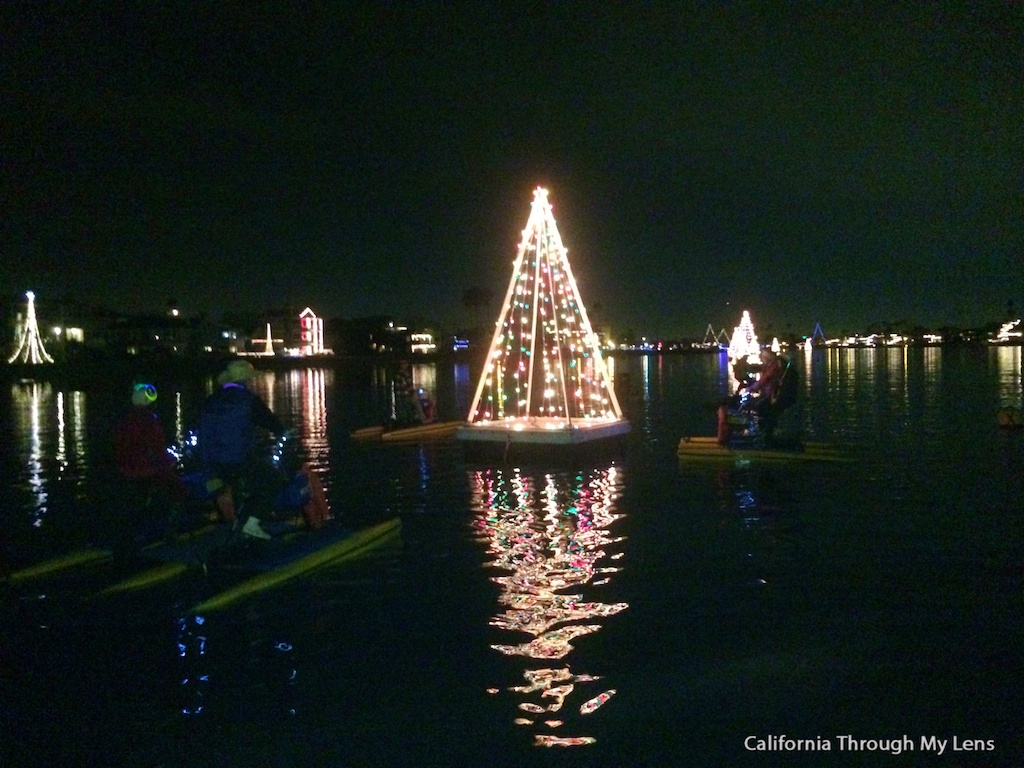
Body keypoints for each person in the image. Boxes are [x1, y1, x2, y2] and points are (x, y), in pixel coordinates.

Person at [195, 359, 285, 538]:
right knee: (275, 478)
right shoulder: (248, 400)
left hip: (210, 462)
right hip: (237, 460)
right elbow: (274, 424)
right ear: (246, 380)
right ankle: (253, 522)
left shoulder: (211, 400)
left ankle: (236, 520)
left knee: (239, 479)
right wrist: (283, 431)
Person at [113, 382, 189, 536]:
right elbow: (156, 448)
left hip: (125, 467)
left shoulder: (125, 419)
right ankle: (171, 525)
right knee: (179, 489)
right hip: (145, 468)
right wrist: (169, 461)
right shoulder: (149, 420)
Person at [744, 349, 797, 445]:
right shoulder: (776, 365)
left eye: (762, 357)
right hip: (782, 395)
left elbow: (766, 378)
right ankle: (767, 435)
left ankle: (766, 437)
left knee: (763, 409)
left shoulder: (774, 366)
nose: (761, 360)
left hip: (779, 396)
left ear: (766, 357)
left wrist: (752, 388)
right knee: (768, 411)